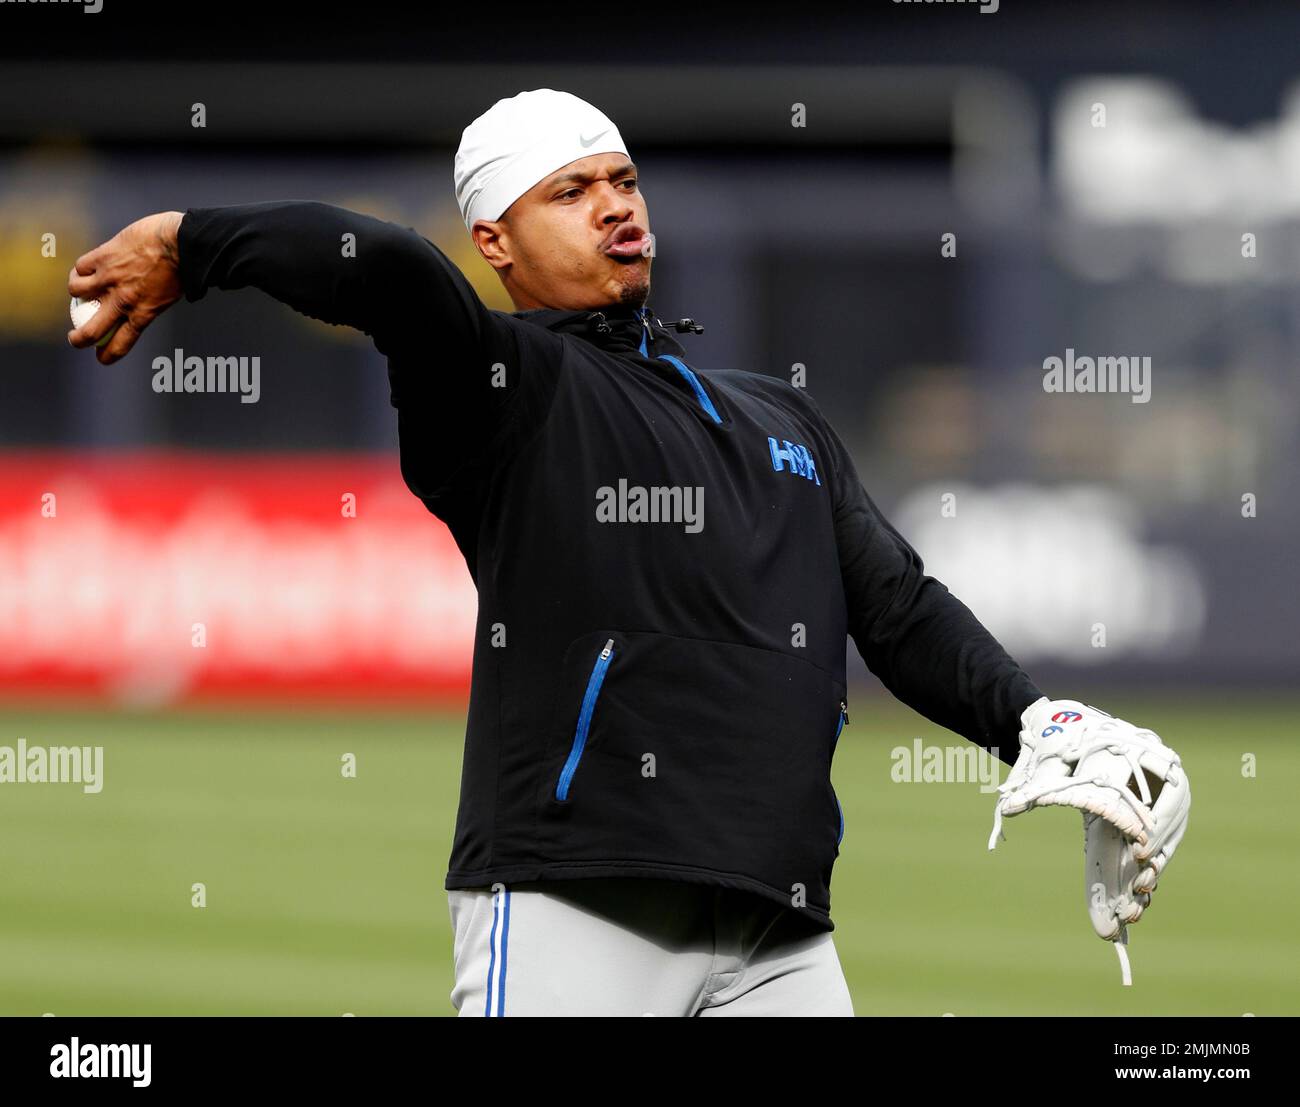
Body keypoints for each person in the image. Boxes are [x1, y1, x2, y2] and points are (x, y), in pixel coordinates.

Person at [67, 89, 1190, 1016]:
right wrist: (194, 242)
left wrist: (1031, 720)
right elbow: (391, 270)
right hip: (576, 905)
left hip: (779, 928)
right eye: (570, 190)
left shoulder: (778, 421)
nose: (613, 205)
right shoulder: (502, 386)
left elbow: (894, 607)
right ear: (495, 240)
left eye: (623, 181)